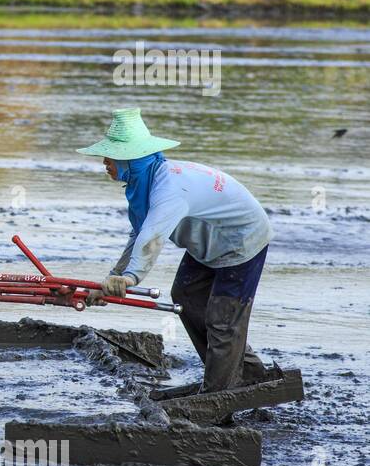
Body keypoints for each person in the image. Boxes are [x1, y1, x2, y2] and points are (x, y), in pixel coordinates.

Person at [78, 108, 273, 393]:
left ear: (132, 160)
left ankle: (217, 395)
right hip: (209, 241)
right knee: (186, 296)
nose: (104, 162)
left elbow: (153, 236)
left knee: (223, 320)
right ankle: (249, 373)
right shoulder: (145, 182)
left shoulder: (168, 189)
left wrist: (131, 278)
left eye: (110, 157)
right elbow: (140, 234)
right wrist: (111, 280)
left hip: (242, 239)